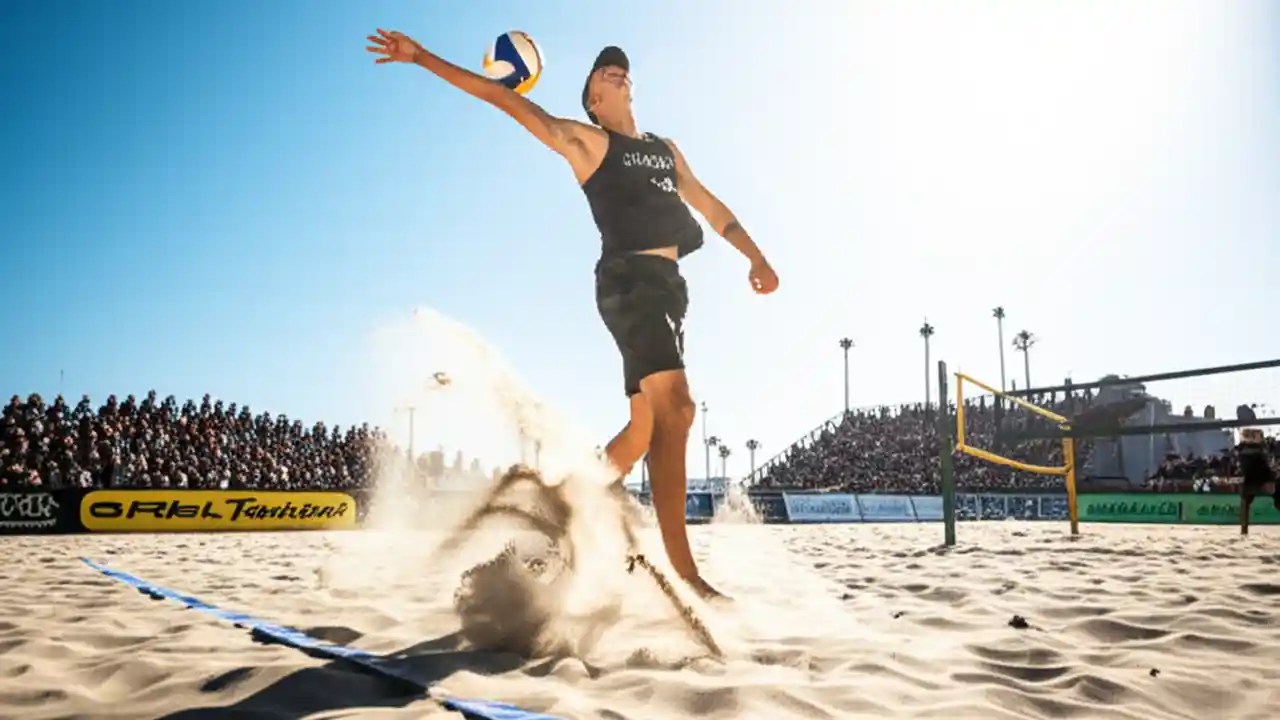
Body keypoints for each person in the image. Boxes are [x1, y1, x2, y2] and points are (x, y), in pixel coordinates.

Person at [366, 29, 779, 600]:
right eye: (603, 71)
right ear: (592, 101)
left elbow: (709, 206)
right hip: (628, 282)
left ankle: (564, 514)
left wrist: (754, 255)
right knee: (678, 411)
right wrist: (422, 57)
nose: (616, 70)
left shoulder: (666, 149)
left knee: (645, 426)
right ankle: (687, 578)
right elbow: (506, 101)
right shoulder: (587, 143)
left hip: (668, 290)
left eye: (622, 68)